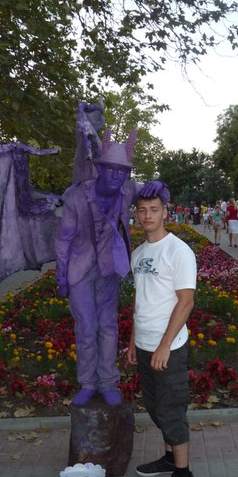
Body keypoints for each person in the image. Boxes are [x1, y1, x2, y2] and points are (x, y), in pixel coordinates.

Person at [56, 129, 168, 407]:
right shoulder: (76, 196)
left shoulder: (127, 190)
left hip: (108, 270)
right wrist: (62, 277)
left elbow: (160, 193)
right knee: (86, 327)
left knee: (107, 326)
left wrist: (158, 183)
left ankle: (107, 381)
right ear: (100, 169)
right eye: (111, 169)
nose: (117, 175)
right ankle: (87, 382)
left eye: (122, 171)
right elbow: (63, 239)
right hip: (79, 270)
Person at [127, 192, 197, 477]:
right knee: (156, 408)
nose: (147, 215)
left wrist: (165, 345)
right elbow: (139, 299)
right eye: (142, 210)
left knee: (171, 410)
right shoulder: (139, 253)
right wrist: (133, 340)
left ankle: (183, 476)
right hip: (145, 344)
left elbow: (186, 302)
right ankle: (169, 459)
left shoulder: (178, 251)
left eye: (154, 210)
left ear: (165, 213)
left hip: (169, 347)